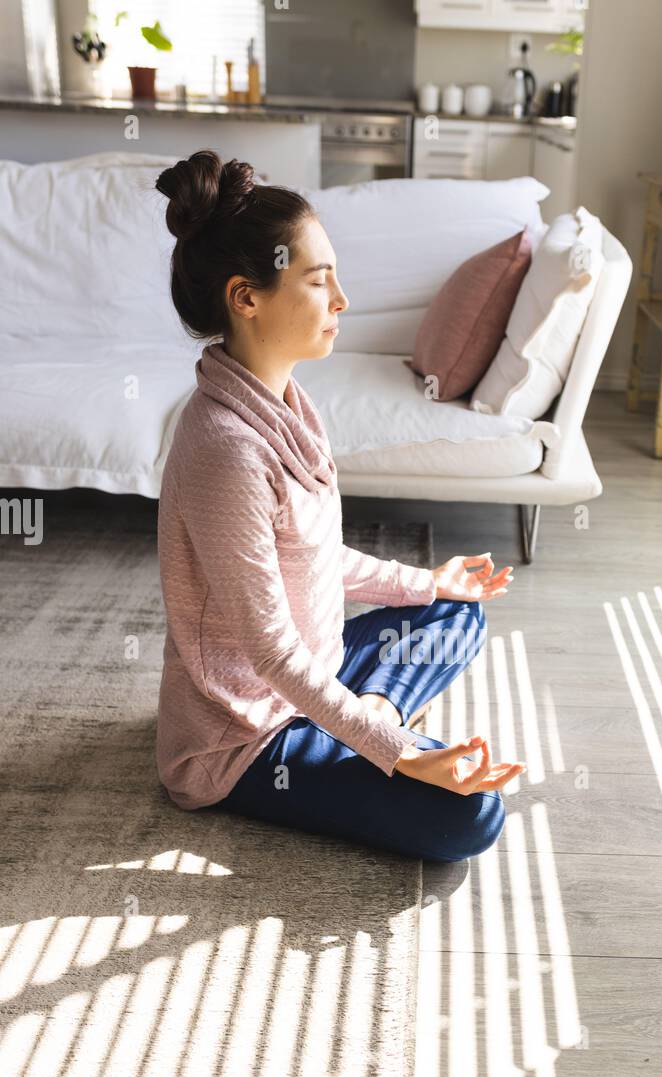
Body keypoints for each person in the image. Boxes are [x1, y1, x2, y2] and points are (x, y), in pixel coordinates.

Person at [154, 150, 524, 862]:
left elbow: (316, 555)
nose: (342, 300)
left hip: (312, 674)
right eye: (319, 281)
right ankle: (363, 726)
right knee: (472, 816)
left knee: (456, 612)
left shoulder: (289, 403)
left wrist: (427, 582)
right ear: (246, 297)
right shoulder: (227, 451)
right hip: (247, 735)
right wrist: (399, 752)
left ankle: (363, 717)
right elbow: (270, 652)